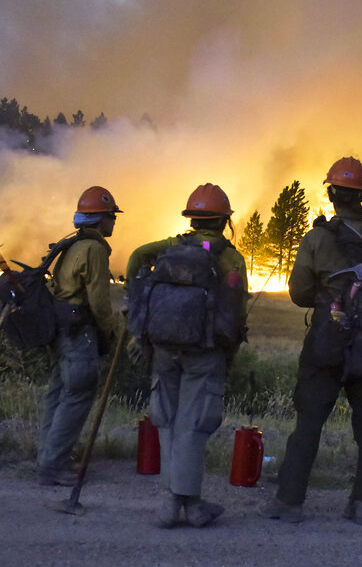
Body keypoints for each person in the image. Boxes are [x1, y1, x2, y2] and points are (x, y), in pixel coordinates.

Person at [262, 157, 362, 525]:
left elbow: (299, 292)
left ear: (331, 193)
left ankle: (290, 502)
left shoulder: (318, 238)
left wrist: (330, 300)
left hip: (328, 342)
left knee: (309, 421)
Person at [125, 183, 248, 528]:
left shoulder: (168, 248)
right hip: (205, 352)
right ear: (225, 221)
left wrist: (137, 318)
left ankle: (181, 502)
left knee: (166, 419)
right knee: (194, 424)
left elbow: (135, 258)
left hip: (163, 348)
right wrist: (231, 354)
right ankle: (182, 504)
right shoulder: (229, 257)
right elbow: (236, 312)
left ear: (191, 219)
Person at [36, 186, 123, 486]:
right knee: (78, 394)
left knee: (59, 393)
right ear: (101, 219)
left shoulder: (72, 244)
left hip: (60, 332)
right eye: (112, 216)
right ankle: (53, 465)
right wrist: (109, 330)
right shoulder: (95, 250)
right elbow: (99, 302)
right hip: (78, 334)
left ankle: (47, 455)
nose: (114, 222)